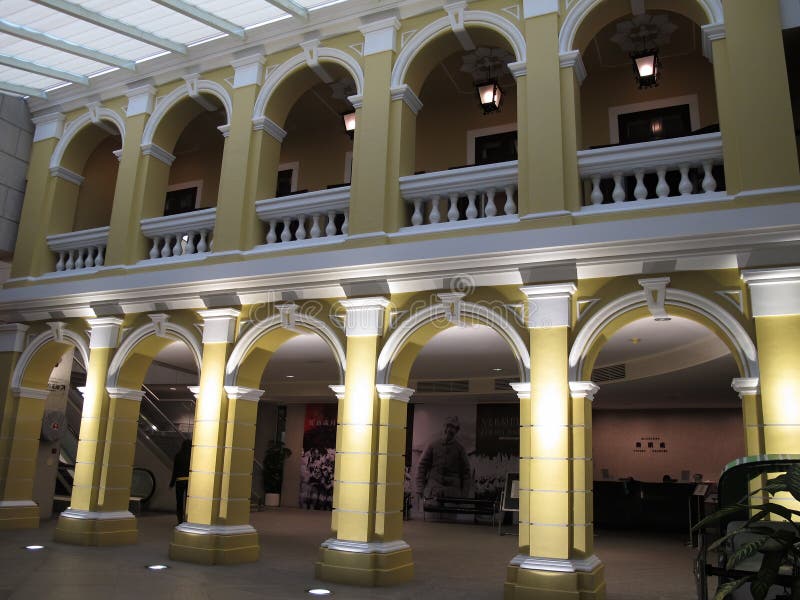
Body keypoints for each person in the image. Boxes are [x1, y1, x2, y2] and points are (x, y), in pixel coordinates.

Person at [415, 416, 472, 509]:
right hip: (433, 493)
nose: (449, 429)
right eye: (448, 426)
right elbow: (422, 467)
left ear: (457, 430)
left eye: (453, 427)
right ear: (444, 427)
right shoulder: (432, 445)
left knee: (450, 522)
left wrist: (464, 495)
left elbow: (466, 473)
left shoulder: (460, 449)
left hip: (453, 496)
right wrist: (419, 489)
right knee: (431, 521)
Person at [169, 438, 191, 524]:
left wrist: (171, 483)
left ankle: (180, 520)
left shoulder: (178, 455)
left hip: (179, 481)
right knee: (187, 501)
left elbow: (175, 470)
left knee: (179, 501)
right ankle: (187, 518)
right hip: (189, 481)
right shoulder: (192, 456)